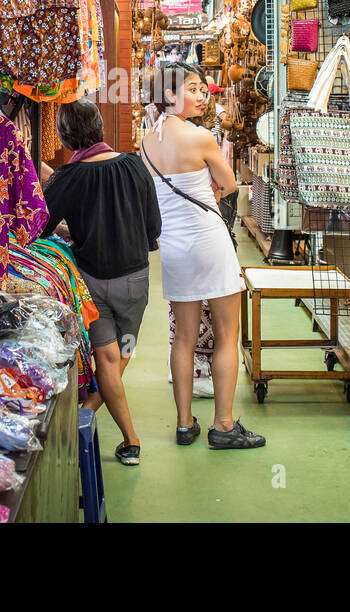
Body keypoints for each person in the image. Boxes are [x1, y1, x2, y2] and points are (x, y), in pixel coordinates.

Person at [140, 63, 265, 451]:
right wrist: (210, 188)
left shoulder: (146, 141)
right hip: (209, 243)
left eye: (200, 88)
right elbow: (228, 184)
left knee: (184, 338)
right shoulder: (199, 137)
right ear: (170, 96)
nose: (200, 95)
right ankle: (224, 426)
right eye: (192, 89)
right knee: (227, 336)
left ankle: (184, 423)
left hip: (174, 249)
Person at [41, 98, 161, 466]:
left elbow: (38, 226)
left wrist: (70, 228)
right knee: (120, 357)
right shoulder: (134, 166)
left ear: (64, 136)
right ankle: (101, 424)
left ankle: (129, 439)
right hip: (135, 280)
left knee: (107, 361)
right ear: (100, 128)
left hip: (91, 281)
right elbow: (153, 229)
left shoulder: (67, 179)